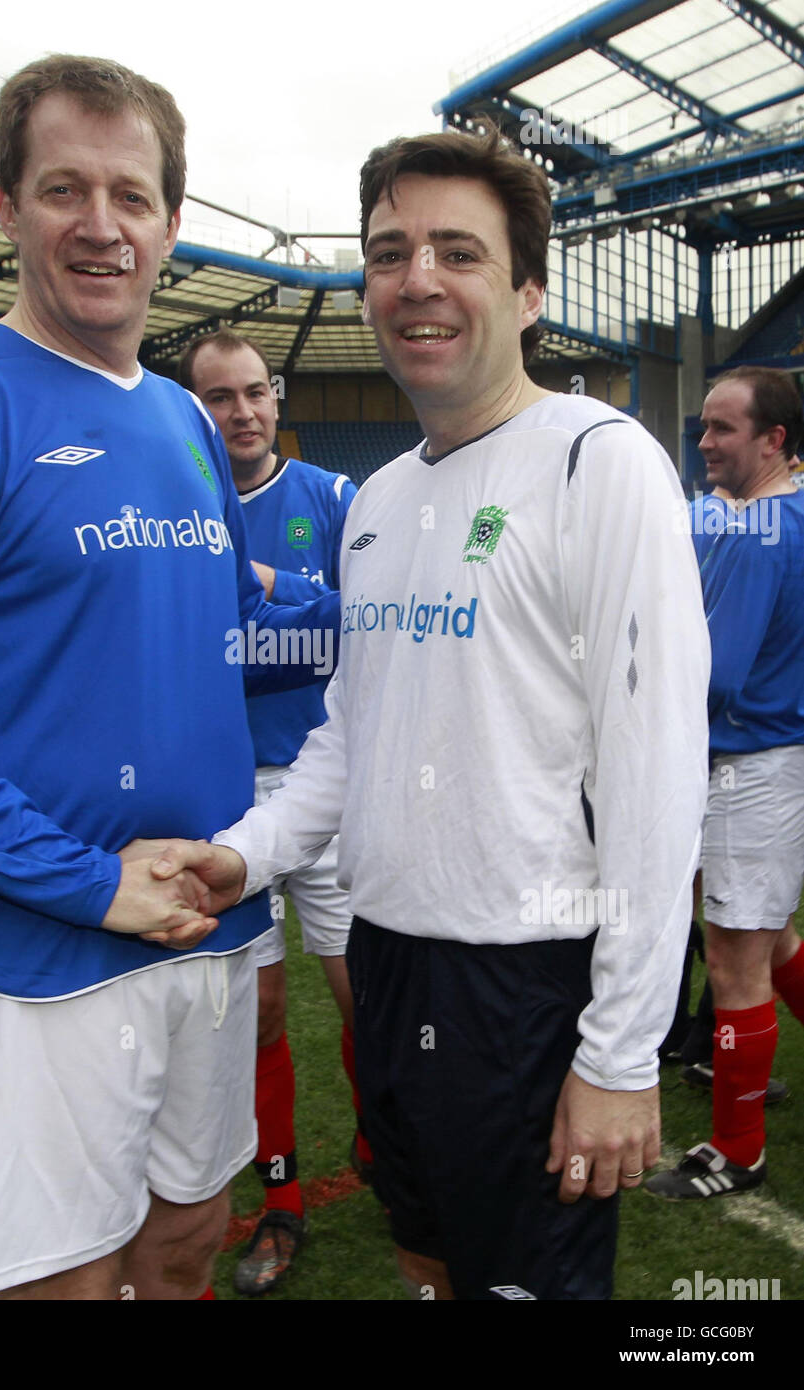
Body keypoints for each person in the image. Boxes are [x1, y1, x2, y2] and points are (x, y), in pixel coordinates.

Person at [146, 122, 711, 1300]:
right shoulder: (379, 500)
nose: (416, 279)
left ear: (527, 291)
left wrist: (615, 1052)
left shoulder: (595, 462)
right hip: (391, 958)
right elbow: (351, 732)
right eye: (388, 250)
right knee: (424, 1261)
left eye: (457, 250)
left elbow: (657, 779)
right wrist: (240, 859)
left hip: (524, 984)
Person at [0, 55, 337, 1301]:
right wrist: (89, 882)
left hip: (208, 920)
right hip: (47, 944)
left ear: (169, 221)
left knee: (183, 1244)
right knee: (64, 1281)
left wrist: (413, 624)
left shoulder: (182, 421)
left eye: (130, 195)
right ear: (5, 207)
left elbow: (223, 643)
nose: (101, 225)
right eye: (63, 189)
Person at [180, 329, 369, 1295]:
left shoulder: (334, 499)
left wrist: (265, 592)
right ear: (194, 409)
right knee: (254, 1013)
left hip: (329, 784)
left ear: (275, 397)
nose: (243, 412)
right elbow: (194, 645)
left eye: (255, 392)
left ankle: (388, 1144)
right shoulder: (174, 513)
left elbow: (372, 615)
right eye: (220, 398)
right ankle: (282, 1201)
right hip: (226, 797)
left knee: (362, 996)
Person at [647, 365, 804, 1200]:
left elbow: (717, 677)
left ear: (773, 439)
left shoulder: (751, 530)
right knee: (769, 941)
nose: (702, 443)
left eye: (721, 430)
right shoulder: (788, 512)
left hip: (746, 764)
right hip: (776, 760)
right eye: (702, 428)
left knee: (739, 961)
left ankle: (736, 1151)